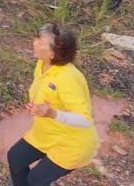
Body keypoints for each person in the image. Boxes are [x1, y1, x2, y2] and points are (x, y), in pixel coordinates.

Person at [6, 23, 99, 186]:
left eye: (40, 41)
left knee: (36, 180)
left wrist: (51, 113)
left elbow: (84, 120)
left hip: (72, 144)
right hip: (48, 133)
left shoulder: (68, 78)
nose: (34, 42)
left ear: (53, 53)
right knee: (16, 158)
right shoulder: (42, 64)